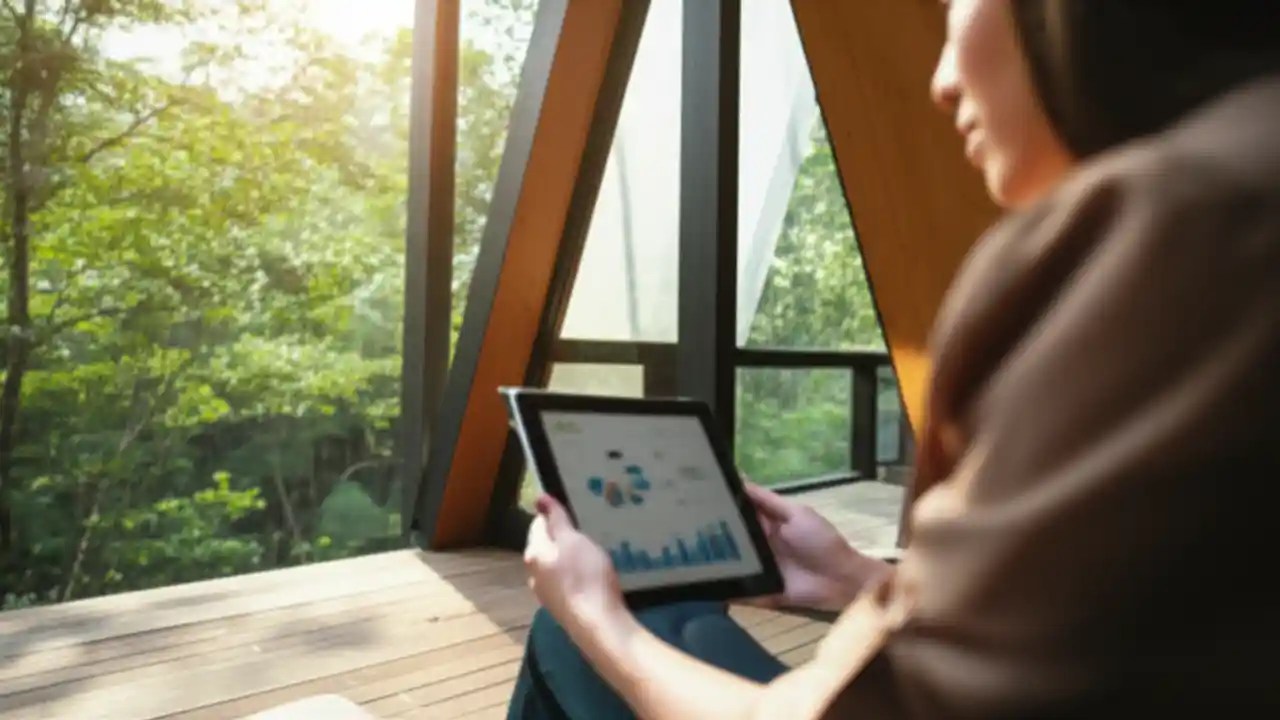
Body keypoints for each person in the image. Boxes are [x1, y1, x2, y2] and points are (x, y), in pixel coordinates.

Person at [508, 1, 1280, 717]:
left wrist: (594, 619)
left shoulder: (1192, 229)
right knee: (675, 610)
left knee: (572, 635)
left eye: (954, 12)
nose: (942, 83)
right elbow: (1129, 627)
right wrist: (856, 578)